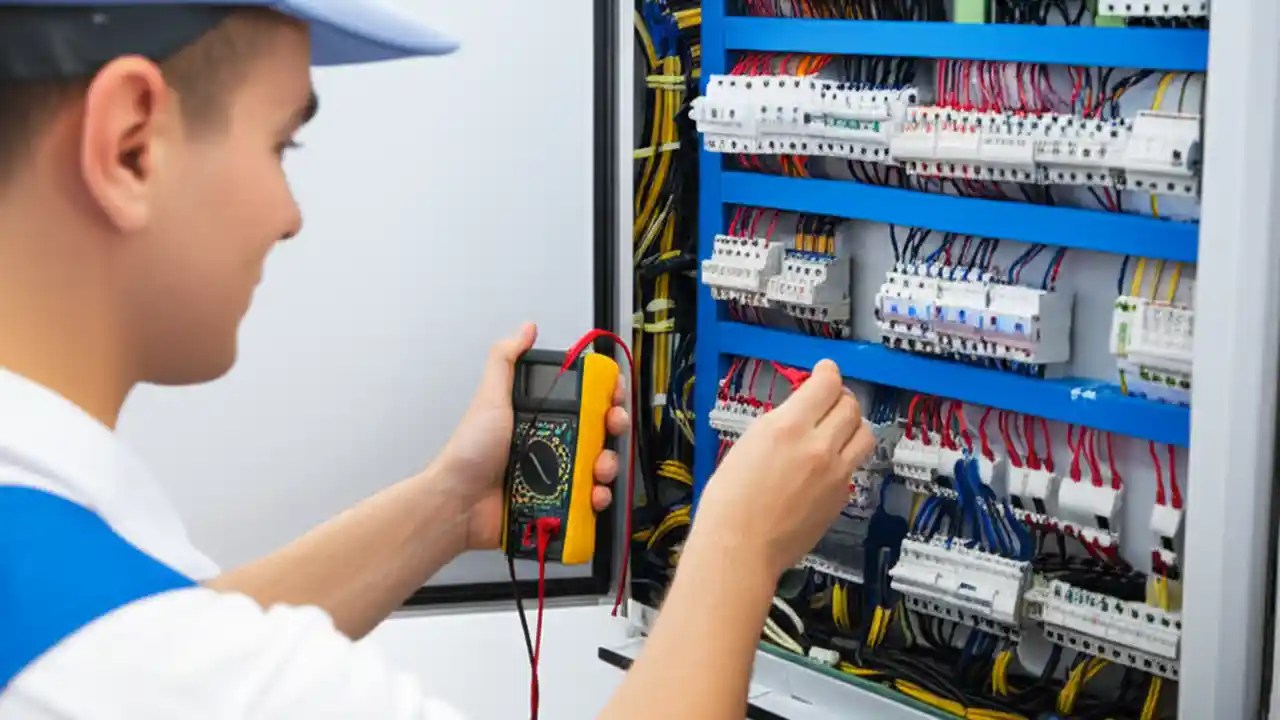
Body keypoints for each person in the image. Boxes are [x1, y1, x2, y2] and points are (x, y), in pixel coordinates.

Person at [0, 2, 875, 718]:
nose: (288, 214)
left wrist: (452, 506)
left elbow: (188, 630)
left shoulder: (63, 579)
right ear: (129, 145)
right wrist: (738, 544)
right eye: (280, 145)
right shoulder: (112, 660)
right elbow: (173, 660)